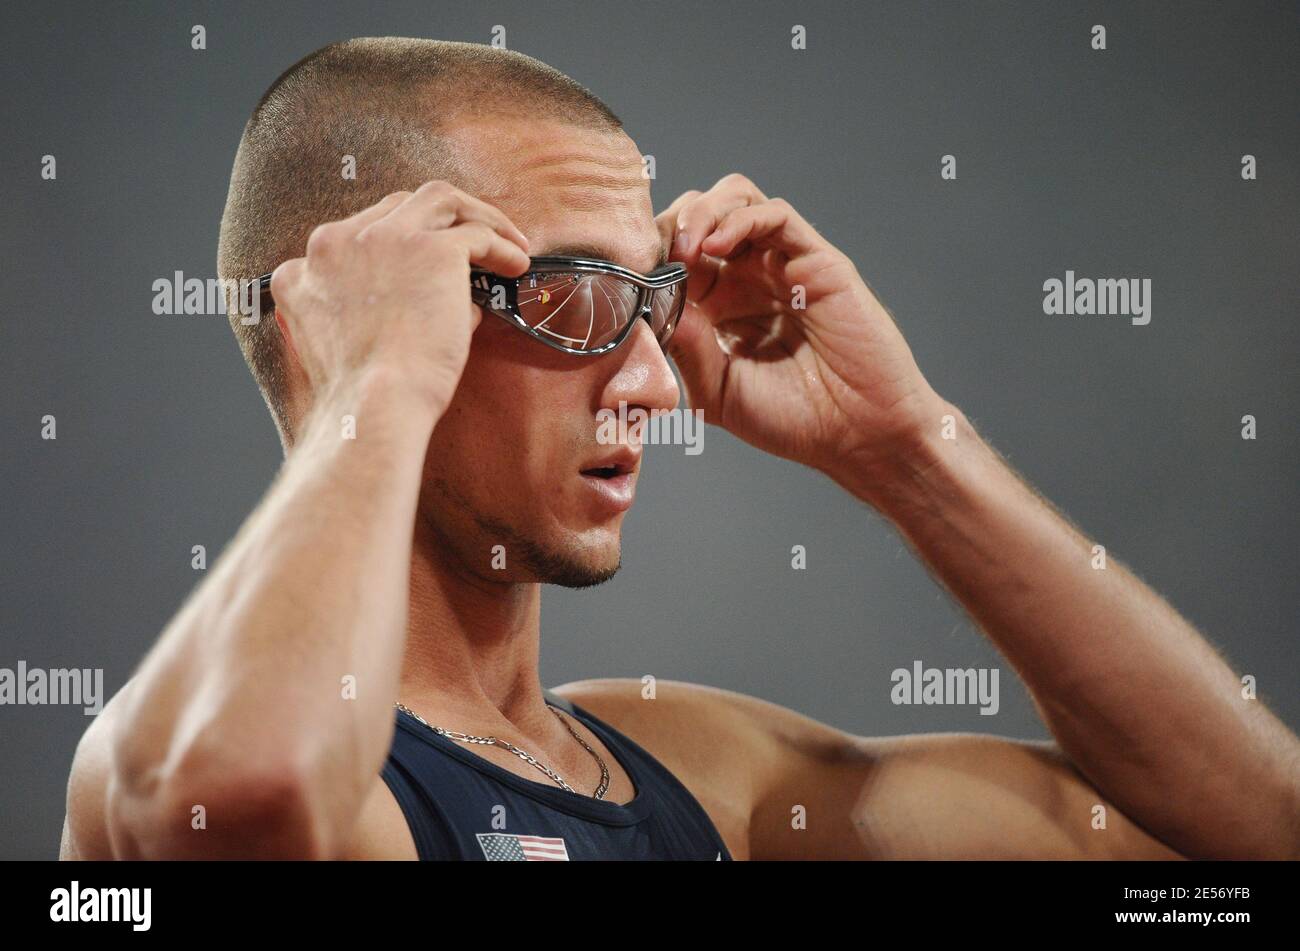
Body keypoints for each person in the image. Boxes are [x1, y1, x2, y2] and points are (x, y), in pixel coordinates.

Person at [59, 38, 1299, 861]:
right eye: (573, 298)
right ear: (357, 310)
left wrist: (905, 448)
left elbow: (1241, 840)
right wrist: (370, 388)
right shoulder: (155, 760)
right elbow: (250, 791)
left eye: (651, 300)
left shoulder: (706, 782)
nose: (654, 381)